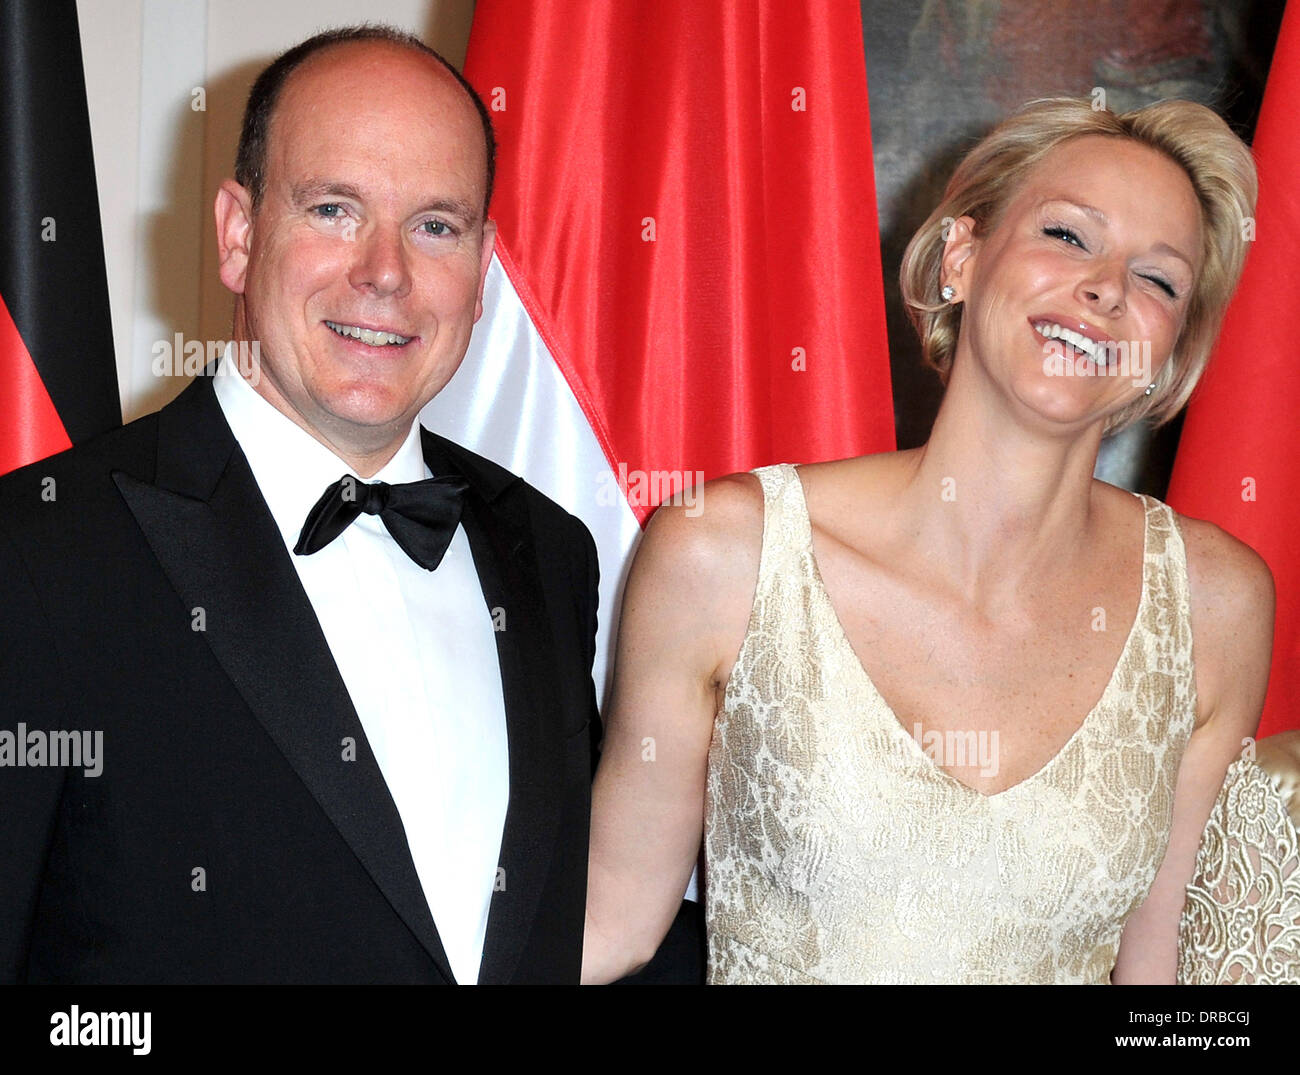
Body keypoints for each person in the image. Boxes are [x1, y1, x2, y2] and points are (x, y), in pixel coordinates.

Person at [583, 97, 1273, 984]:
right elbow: (607, 921)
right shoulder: (723, 552)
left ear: (1169, 353)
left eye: (1159, 280)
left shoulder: (1215, 604)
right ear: (961, 257)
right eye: (1067, 235)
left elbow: (1164, 987)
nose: (1107, 288)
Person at [0, 27, 600, 984]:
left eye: (435, 226)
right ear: (239, 234)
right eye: (333, 209)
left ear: (484, 267)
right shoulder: (38, 553)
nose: (385, 271)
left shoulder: (550, 551)